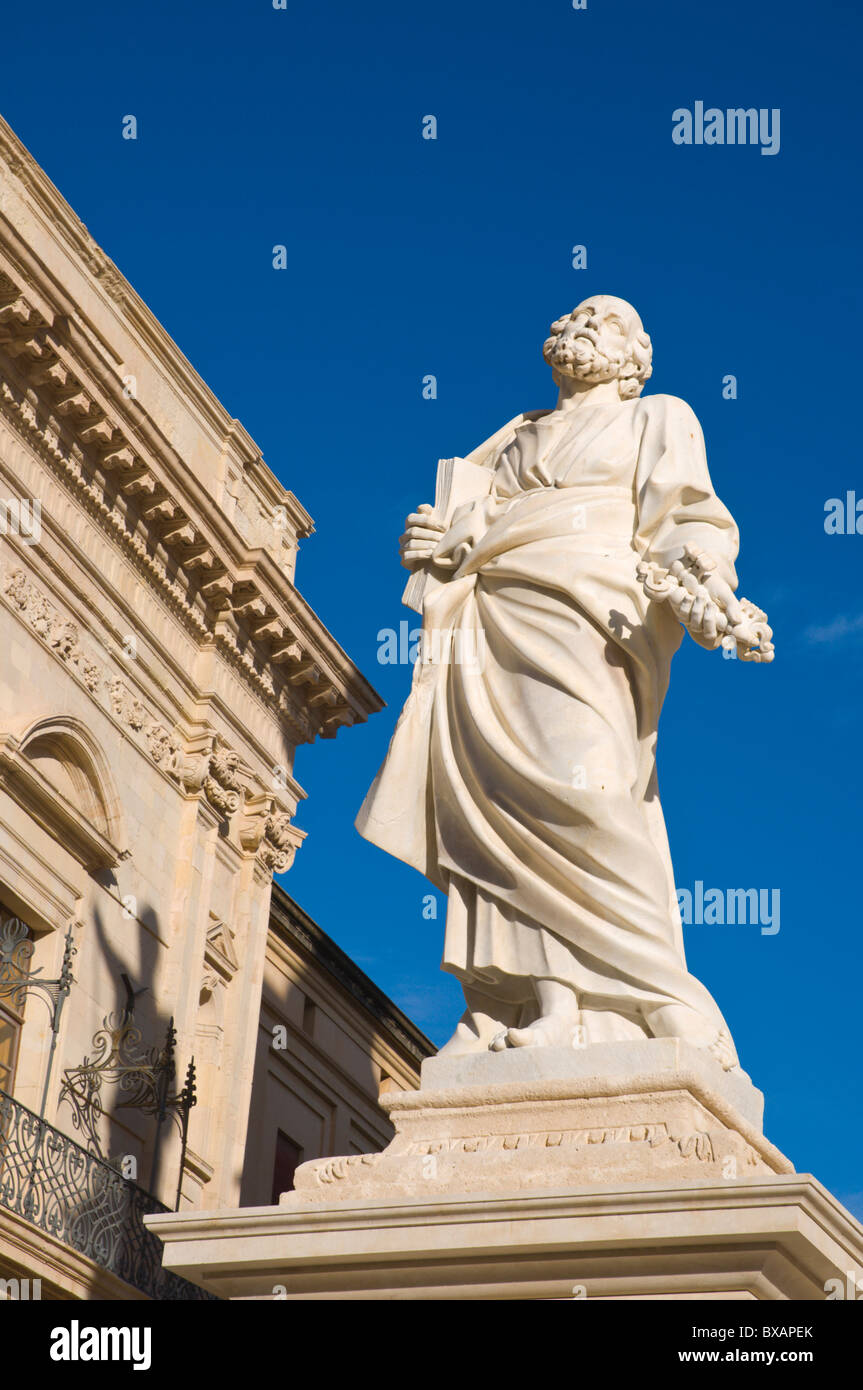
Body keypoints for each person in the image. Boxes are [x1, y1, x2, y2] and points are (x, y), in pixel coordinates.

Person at [357, 295, 744, 1069]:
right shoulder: (511, 438)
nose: (585, 323)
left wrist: (706, 584)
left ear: (634, 360)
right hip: (489, 618)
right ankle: (544, 999)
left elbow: (690, 520)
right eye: (576, 316)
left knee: (590, 790)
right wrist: (431, 544)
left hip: (591, 615)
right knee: (499, 808)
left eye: (608, 320)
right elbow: (459, 537)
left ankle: (658, 990)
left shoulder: (656, 417)